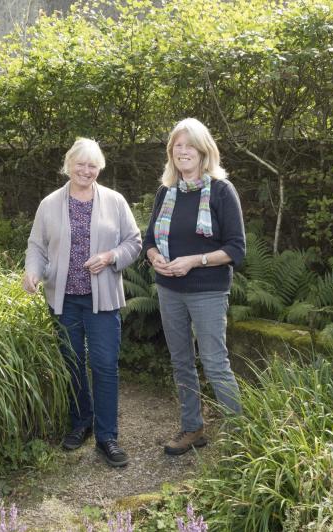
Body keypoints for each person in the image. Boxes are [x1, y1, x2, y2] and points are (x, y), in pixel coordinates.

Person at [23, 138, 141, 467]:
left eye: (93, 165)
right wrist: (32, 272)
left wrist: (110, 256)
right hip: (64, 300)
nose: (86, 171)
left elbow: (134, 242)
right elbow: (37, 246)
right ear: (68, 165)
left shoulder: (115, 202)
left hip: (103, 300)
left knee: (104, 365)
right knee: (72, 363)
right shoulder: (49, 204)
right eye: (80, 164)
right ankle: (81, 423)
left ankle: (107, 436)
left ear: (99, 168)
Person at [143, 118, 246, 456]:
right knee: (181, 362)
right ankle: (192, 428)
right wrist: (155, 258)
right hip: (169, 289)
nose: (183, 151)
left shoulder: (221, 191)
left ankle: (241, 438)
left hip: (207, 291)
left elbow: (236, 249)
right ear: (171, 152)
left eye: (190, 146)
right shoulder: (166, 192)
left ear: (204, 151)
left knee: (215, 363)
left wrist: (194, 261)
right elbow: (149, 240)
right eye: (178, 145)